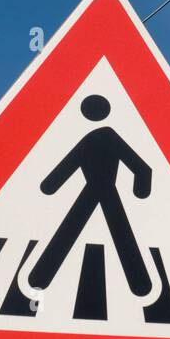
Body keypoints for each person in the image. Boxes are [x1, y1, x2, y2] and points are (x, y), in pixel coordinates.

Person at [28, 94, 154, 297]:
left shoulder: (99, 138)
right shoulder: (104, 137)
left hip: (96, 191)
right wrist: (140, 189)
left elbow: (141, 167)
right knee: (120, 234)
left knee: (70, 232)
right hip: (100, 191)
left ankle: (39, 279)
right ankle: (141, 285)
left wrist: (50, 186)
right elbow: (141, 168)